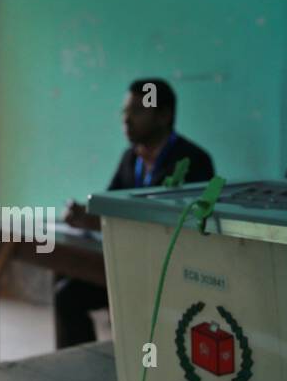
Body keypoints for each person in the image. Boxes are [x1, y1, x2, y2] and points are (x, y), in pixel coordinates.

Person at [56, 78, 215, 348]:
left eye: (138, 111)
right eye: (125, 112)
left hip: (170, 274)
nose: (127, 119)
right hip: (126, 264)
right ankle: (80, 369)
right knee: (66, 295)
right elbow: (109, 204)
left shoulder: (193, 161)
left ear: (164, 115)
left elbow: (188, 228)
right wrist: (84, 213)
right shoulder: (130, 158)